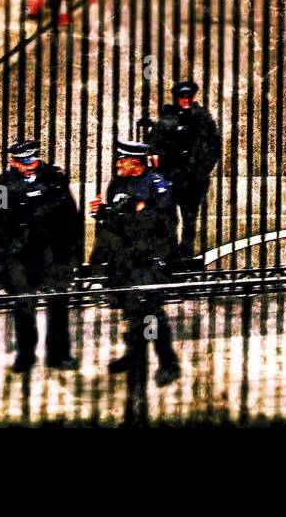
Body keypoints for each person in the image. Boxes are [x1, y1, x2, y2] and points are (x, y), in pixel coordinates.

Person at [0, 139, 80, 373]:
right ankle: (25, 354)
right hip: (20, 254)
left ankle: (59, 354)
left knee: (57, 302)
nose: (30, 165)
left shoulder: (54, 179)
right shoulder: (3, 187)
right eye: (24, 161)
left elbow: (71, 217)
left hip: (52, 253)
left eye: (33, 160)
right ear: (13, 162)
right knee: (24, 304)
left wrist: (74, 253)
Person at [90, 138, 180, 386]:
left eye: (123, 161)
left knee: (150, 313)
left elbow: (166, 224)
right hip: (124, 261)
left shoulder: (156, 184)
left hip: (148, 260)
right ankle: (134, 355)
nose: (118, 164)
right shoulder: (117, 183)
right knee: (132, 310)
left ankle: (167, 363)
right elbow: (115, 220)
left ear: (136, 163)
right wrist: (102, 212)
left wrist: (140, 210)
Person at [147, 81, 221, 267]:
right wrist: (161, 170)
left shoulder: (204, 119)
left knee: (190, 219)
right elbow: (155, 145)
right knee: (169, 216)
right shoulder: (167, 119)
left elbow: (214, 146)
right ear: (177, 98)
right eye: (182, 97)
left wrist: (202, 169)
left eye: (188, 96)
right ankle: (169, 253)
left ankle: (186, 253)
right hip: (171, 177)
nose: (185, 100)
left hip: (194, 179)